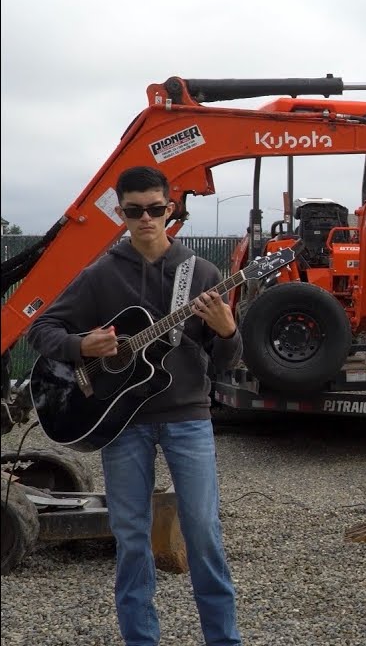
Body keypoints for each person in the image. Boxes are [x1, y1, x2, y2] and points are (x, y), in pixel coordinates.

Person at [27, 166, 243, 646]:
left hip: (187, 418)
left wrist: (227, 330)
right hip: (121, 422)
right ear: (120, 213)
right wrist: (83, 346)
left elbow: (226, 362)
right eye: (133, 210)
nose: (146, 219)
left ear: (171, 209)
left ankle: (224, 640)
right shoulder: (100, 275)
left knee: (204, 534)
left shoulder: (202, 275)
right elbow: (41, 330)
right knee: (130, 538)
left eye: (155, 208)